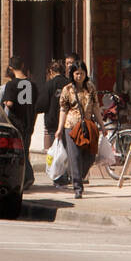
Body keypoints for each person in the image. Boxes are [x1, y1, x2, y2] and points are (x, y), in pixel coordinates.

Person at [58, 61, 101, 199]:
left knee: (90, 155)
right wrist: (59, 129)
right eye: (77, 73)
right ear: (72, 74)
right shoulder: (67, 89)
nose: (79, 76)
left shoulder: (90, 88)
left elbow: (95, 107)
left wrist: (102, 125)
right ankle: (78, 187)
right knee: (75, 156)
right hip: (71, 126)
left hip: (88, 126)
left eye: (82, 73)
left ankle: (78, 176)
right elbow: (63, 109)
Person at [0, 56, 39, 189]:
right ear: (22, 65)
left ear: (10, 67)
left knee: (19, 152)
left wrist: (4, 101)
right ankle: (26, 177)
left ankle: (28, 176)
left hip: (16, 123)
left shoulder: (11, 85)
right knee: (25, 149)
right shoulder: (32, 84)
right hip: (29, 121)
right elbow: (36, 104)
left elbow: (9, 103)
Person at [41, 60, 65, 150]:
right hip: (67, 122)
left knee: (53, 151)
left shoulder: (49, 85)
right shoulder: (69, 83)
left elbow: (41, 105)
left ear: (51, 71)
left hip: (52, 121)